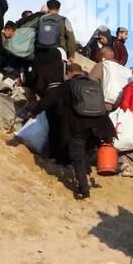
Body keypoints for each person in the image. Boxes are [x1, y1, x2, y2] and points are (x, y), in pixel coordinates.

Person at [38, 64, 115, 200]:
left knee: (77, 157)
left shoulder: (69, 84)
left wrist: (33, 112)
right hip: (100, 125)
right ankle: (86, 175)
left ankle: (84, 192)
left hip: (78, 125)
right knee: (87, 151)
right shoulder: (94, 84)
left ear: (69, 73)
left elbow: (50, 99)